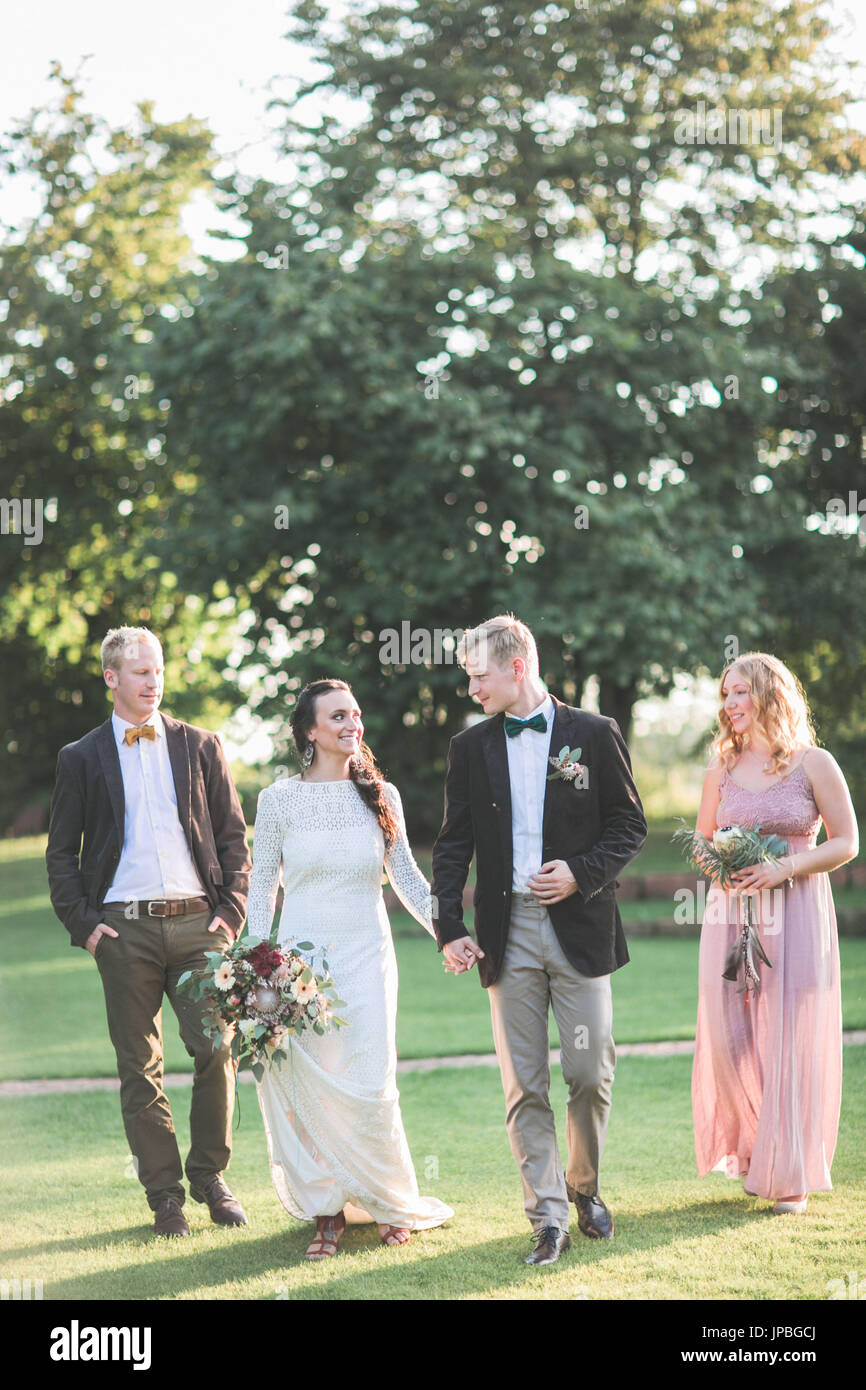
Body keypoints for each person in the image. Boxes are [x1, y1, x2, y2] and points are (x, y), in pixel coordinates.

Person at [431, 616, 647, 1265]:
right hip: (507, 933)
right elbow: (453, 844)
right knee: (524, 1083)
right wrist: (449, 926)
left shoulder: (593, 732)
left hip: (579, 924)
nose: (471, 689)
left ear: (516, 667)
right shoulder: (470, 748)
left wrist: (581, 872)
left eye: (479, 677)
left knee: (588, 1072)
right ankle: (546, 1217)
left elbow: (629, 824)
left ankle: (584, 1188)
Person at [45, 626, 252, 1237]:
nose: (153, 680)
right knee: (140, 1066)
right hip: (123, 931)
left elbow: (233, 836)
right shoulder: (80, 757)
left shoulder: (202, 745)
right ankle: (164, 1197)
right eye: (139, 672)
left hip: (199, 925)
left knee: (217, 1048)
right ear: (112, 678)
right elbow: (61, 854)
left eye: (158, 669)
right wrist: (85, 926)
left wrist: (232, 910)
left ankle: (211, 1176)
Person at [247, 678, 453, 1259]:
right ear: (310, 731)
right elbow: (262, 890)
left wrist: (450, 931)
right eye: (338, 716)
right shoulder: (278, 800)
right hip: (298, 964)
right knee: (310, 1078)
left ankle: (389, 1202)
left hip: (367, 955)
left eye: (356, 715)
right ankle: (327, 1213)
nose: (352, 725)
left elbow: (408, 878)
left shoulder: (381, 795)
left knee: (370, 1081)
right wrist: (255, 969)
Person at [692, 652, 858, 1214]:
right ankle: (753, 1148)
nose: (730, 704)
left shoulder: (814, 763)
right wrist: (723, 862)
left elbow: (846, 841)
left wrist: (783, 866)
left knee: (791, 1031)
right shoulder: (722, 765)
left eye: (740, 692)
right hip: (730, 913)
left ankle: (790, 1171)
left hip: (798, 912)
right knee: (728, 1032)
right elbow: (701, 839)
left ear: (769, 694)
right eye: (725, 695)